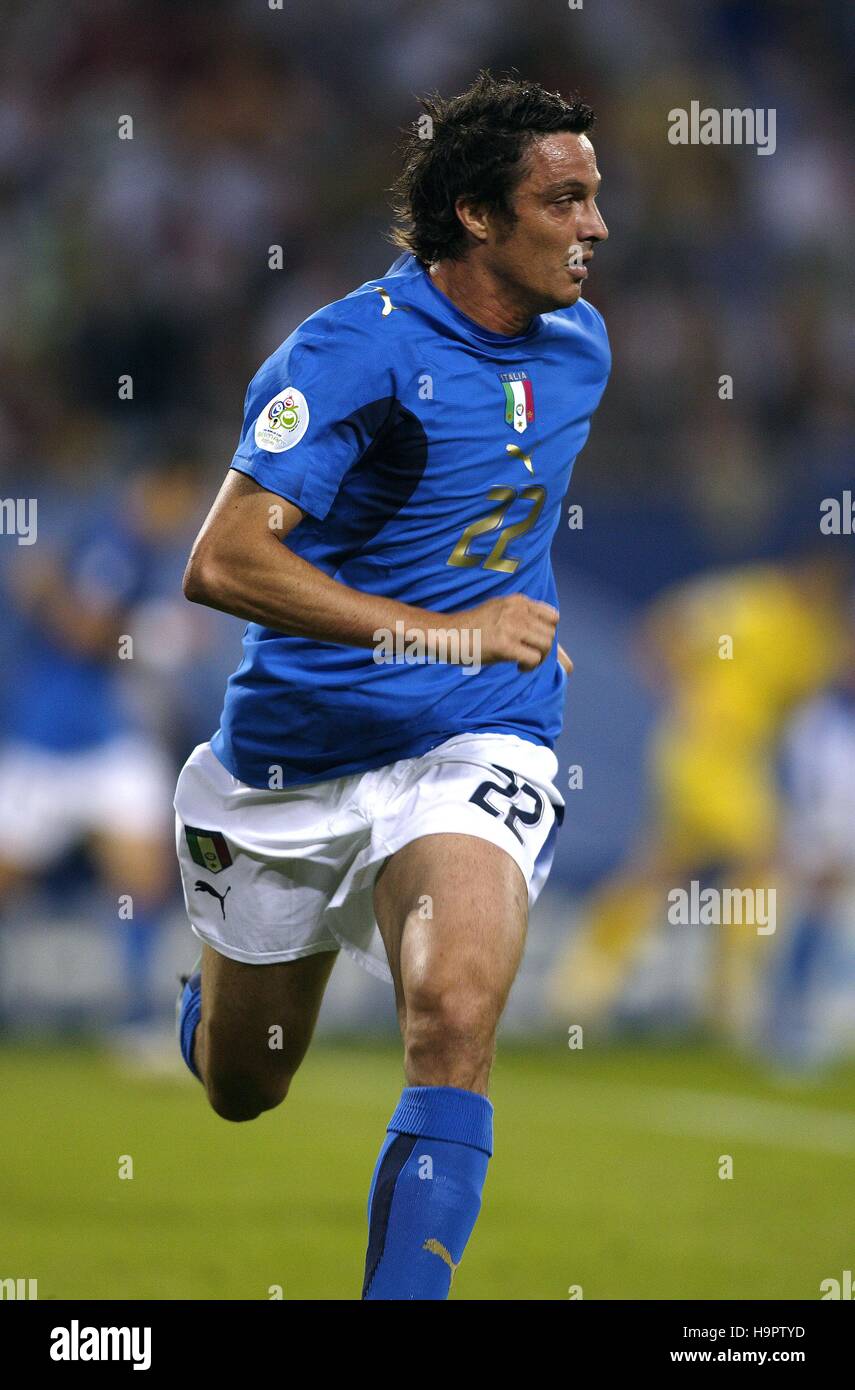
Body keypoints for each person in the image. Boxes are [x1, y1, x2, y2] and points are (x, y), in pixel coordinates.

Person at [175, 71, 610, 1300]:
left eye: (595, 198)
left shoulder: (583, 342)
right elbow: (222, 561)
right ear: (479, 214)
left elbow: (490, 506)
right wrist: (450, 630)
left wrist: (504, 636)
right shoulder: (351, 350)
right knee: (244, 1084)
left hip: (482, 737)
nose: (596, 226)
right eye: (565, 200)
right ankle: (208, 1014)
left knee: (454, 1016)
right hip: (292, 757)